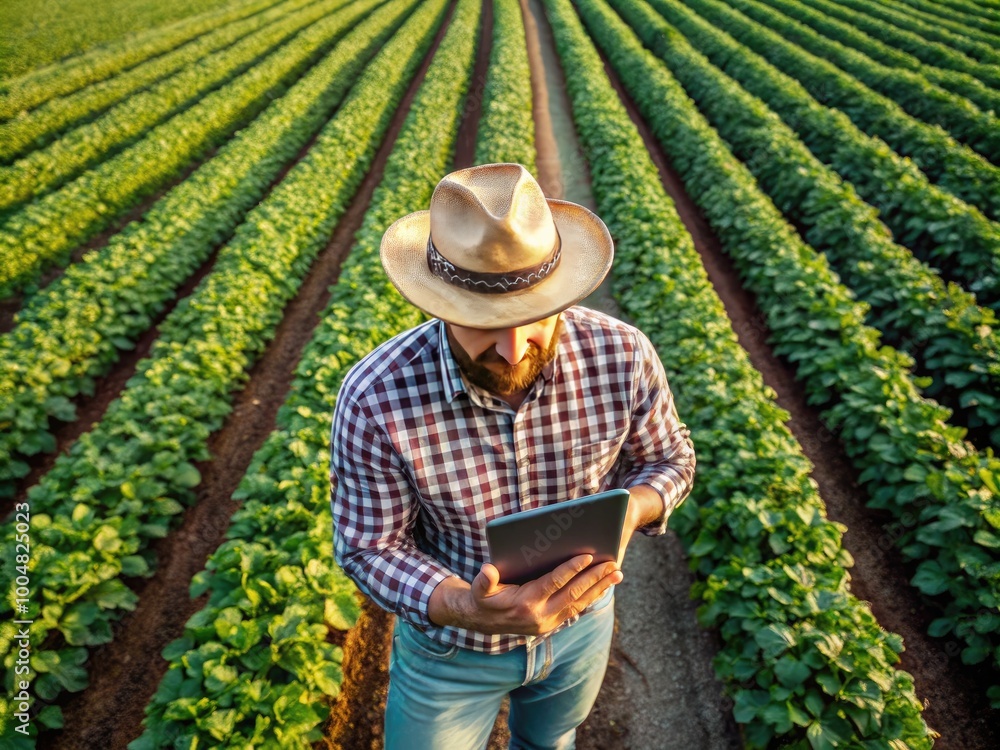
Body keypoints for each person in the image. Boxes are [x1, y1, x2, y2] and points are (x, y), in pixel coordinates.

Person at [329, 163, 695, 749]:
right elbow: (370, 546)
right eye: (484, 323)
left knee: (550, 743)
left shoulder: (623, 355)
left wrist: (632, 509)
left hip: (581, 628)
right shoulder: (376, 396)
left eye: (533, 317)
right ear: (440, 303)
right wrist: (463, 605)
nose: (513, 347)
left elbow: (670, 460)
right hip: (450, 652)